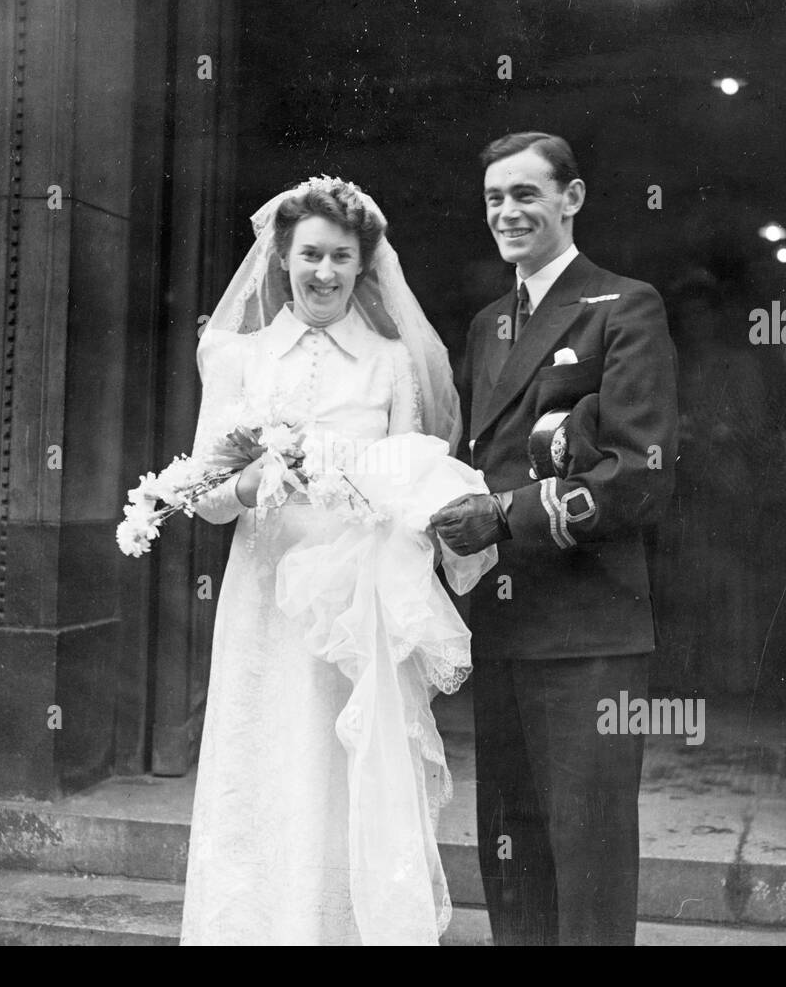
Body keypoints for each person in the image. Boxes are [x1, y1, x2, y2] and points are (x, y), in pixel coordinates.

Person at [180, 176, 476, 945]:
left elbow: (413, 487)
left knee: (344, 773)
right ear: (281, 256)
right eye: (309, 253)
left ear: (363, 263)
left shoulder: (389, 365)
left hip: (353, 605)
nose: (324, 272)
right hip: (262, 600)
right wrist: (260, 472)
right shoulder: (235, 356)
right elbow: (207, 498)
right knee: (264, 762)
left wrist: (347, 479)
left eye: (341, 257)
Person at [430, 132, 679, 945]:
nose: (508, 212)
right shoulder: (487, 326)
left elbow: (638, 476)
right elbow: (479, 459)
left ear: (570, 200)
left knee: (589, 855)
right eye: (496, 198)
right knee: (514, 856)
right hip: (503, 628)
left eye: (527, 194)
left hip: (589, 634)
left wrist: (506, 518)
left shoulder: (624, 305)